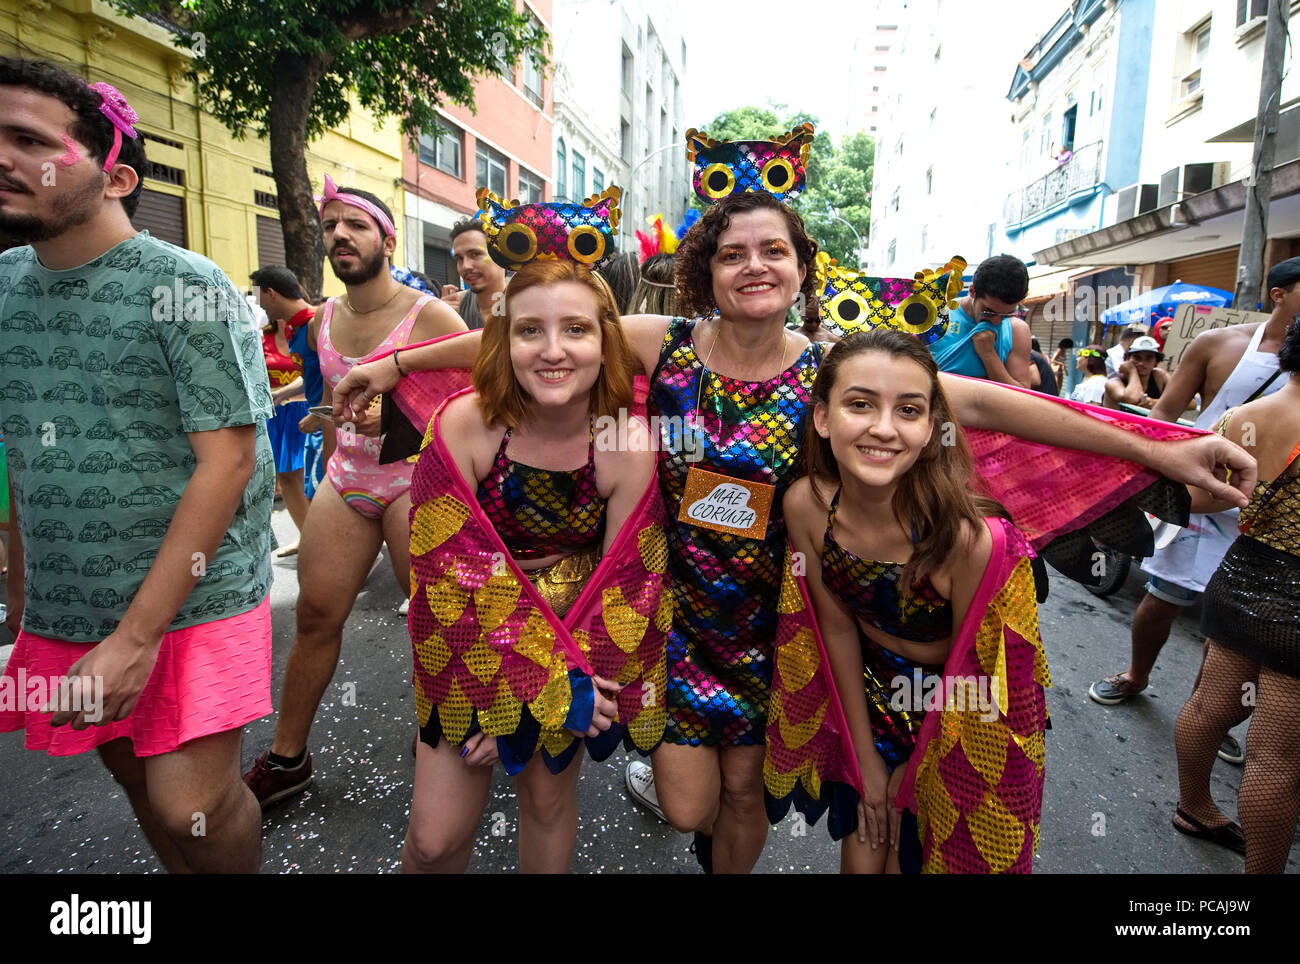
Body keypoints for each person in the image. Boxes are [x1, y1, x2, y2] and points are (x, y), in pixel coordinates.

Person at [331, 190, 1257, 874]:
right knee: (694, 798)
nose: (755, 266)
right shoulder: (667, 343)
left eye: (774, 250)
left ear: (801, 266)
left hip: (786, 626)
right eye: (734, 253)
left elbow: (991, 405)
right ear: (709, 270)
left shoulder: (833, 372)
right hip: (678, 621)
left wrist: (1162, 449)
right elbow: (527, 332)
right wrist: (394, 363)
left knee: (745, 798)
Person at [0, 58, 274, 872]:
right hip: (68, 600)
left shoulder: (186, 286)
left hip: (197, 595)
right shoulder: (3, 286)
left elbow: (228, 462)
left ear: (114, 174)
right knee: (129, 770)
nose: (4, 157)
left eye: (27, 140)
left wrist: (135, 637)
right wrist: (24, 596)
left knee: (189, 801)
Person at [402, 257, 662, 873]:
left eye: (576, 329)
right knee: (434, 840)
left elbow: (632, 582)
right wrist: (523, 693)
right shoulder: (464, 424)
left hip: (574, 644)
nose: (553, 351)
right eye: (529, 331)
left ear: (607, 340)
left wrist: (560, 692)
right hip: (465, 638)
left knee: (546, 803)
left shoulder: (626, 441)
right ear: (503, 340)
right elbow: (448, 573)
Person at [781, 329, 1048, 872]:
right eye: (860, 404)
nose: (883, 428)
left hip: (966, 712)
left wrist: (920, 767)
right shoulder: (806, 507)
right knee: (864, 845)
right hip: (871, 695)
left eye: (908, 409)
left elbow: (983, 675)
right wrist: (866, 762)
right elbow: (834, 629)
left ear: (930, 429)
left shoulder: (972, 540)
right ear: (823, 417)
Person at [242, 176, 466, 806]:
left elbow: (483, 395)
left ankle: (450, 739)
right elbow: (332, 395)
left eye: (356, 225)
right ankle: (288, 758)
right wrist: (322, 416)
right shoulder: (325, 318)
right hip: (346, 477)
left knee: (432, 623)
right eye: (332, 227)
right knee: (315, 615)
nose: (340, 236)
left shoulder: (430, 316)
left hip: (412, 481)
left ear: (387, 239)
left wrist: (396, 413)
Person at [1088, 258, 1299, 723]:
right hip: (1202, 491)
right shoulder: (1220, 343)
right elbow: (1163, 415)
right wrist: (1140, 478)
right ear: (1280, 293)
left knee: (1234, 623)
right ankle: (1136, 675)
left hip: (1274, 510)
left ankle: (1208, 714)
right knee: (1165, 597)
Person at [1172, 316, 1300, 872]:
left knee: (1208, 707)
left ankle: (1195, 806)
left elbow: (1201, 499)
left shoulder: (1243, 418)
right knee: (1278, 761)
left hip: (1240, 582)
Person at [252, 265, 313, 555]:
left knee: (316, 481)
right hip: (281, 414)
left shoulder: (315, 323)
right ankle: (309, 537)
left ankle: (334, 545)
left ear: (271, 293)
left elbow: (327, 375)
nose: (257, 304)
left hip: (313, 415)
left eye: (258, 295)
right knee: (288, 478)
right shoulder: (287, 329)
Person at [927, 254, 1033, 388]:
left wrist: (989, 354)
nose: (996, 321)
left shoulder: (1017, 330)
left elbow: (1022, 396)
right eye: (989, 311)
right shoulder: (935, 316)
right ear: (972, 291)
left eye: (1007, 314)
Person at [440, 217, 507, 331]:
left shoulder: (527, 304)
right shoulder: (454, 307)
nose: (466, 266)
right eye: (459, 258)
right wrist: (443, 321)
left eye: (475, 254)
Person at [1104, 335, 1168, 410]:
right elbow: (1133, 398)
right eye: (1137, 358)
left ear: (1156, 362)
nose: (1142, 363)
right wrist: (1132, 371)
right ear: (1127, 359)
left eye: (1149, 358)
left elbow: (1180, 401)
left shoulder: (1160, 377)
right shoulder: (1113, 383)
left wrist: (1154, 402)